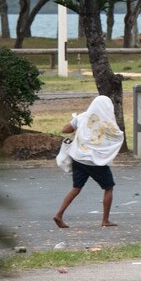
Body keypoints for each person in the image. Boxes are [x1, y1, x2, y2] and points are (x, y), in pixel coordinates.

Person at [53, 96, 124, 229]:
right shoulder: (107, 122)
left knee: (76, 188)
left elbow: (65, 129)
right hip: (95, 162)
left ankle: (59, 215)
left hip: (78, 158)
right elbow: (116, 136)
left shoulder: (82, 117)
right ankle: (105, 220)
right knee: (108, 187)